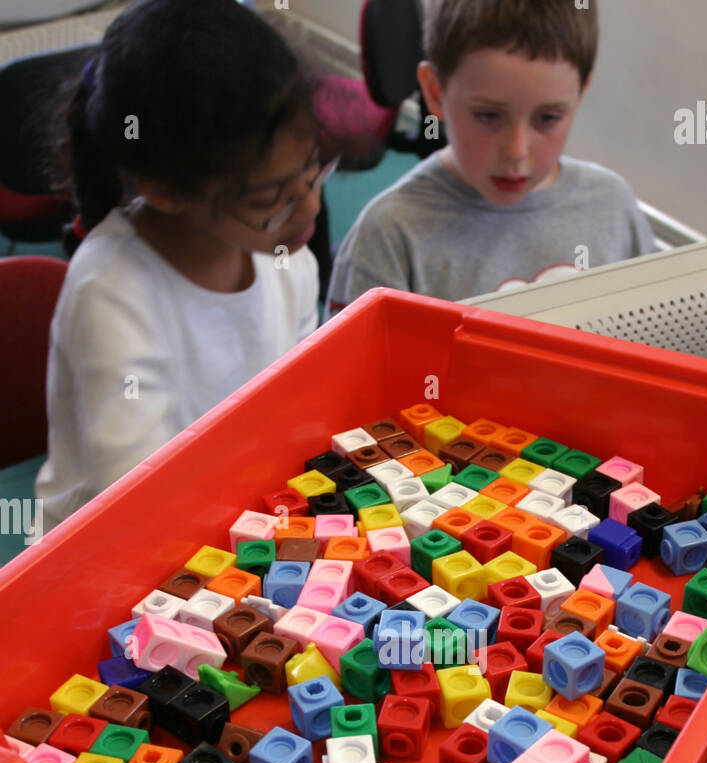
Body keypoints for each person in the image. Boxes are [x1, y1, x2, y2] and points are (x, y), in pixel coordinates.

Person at [35, 0, 328, 532]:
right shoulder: (112, 294)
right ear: (166, 191)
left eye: (312, 168)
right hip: (113, 542)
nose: (309, 208)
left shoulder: (287, 261)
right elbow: (138, 509)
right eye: (270, 199)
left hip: (241, 516)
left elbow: (299, 417)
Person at [327, 0, 655, 318]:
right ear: (436, 92)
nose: (516, 151)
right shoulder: (389, 237)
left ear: (580, 92)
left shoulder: (614, 208)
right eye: (488, 116)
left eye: (548, 118)